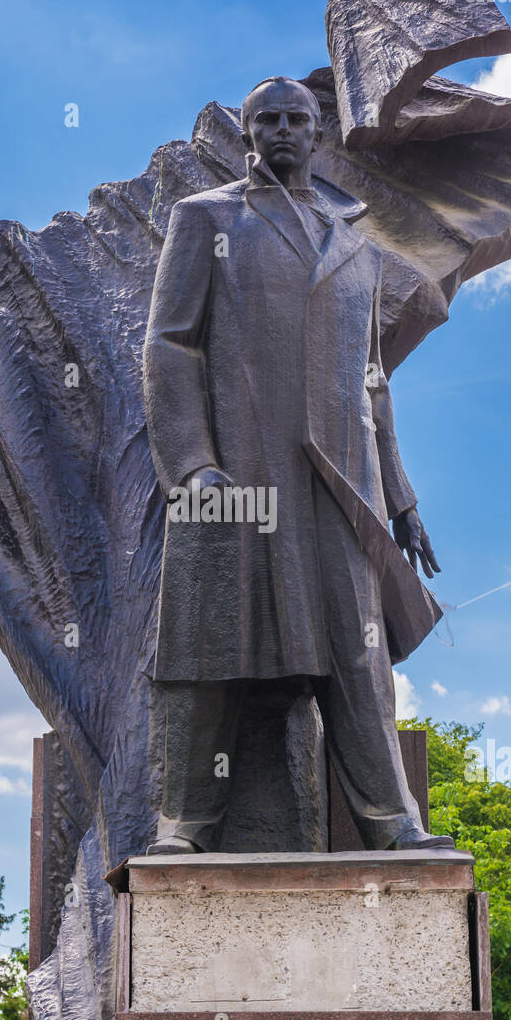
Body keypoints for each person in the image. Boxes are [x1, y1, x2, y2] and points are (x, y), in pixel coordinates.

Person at [142, 76, 454, 854]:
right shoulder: (205, 218)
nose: (282, 130)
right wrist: (189, 467)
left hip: (339, 480)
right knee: (212, 644)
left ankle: (390, 821)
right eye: (267, 119)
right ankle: (184, 825)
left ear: (317, 135)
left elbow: (371, 378)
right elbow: (169, 343)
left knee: (358, 648)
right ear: (246, 133)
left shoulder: (356, 240)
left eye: (297, 120)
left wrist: (401, 498)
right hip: (236, 476)